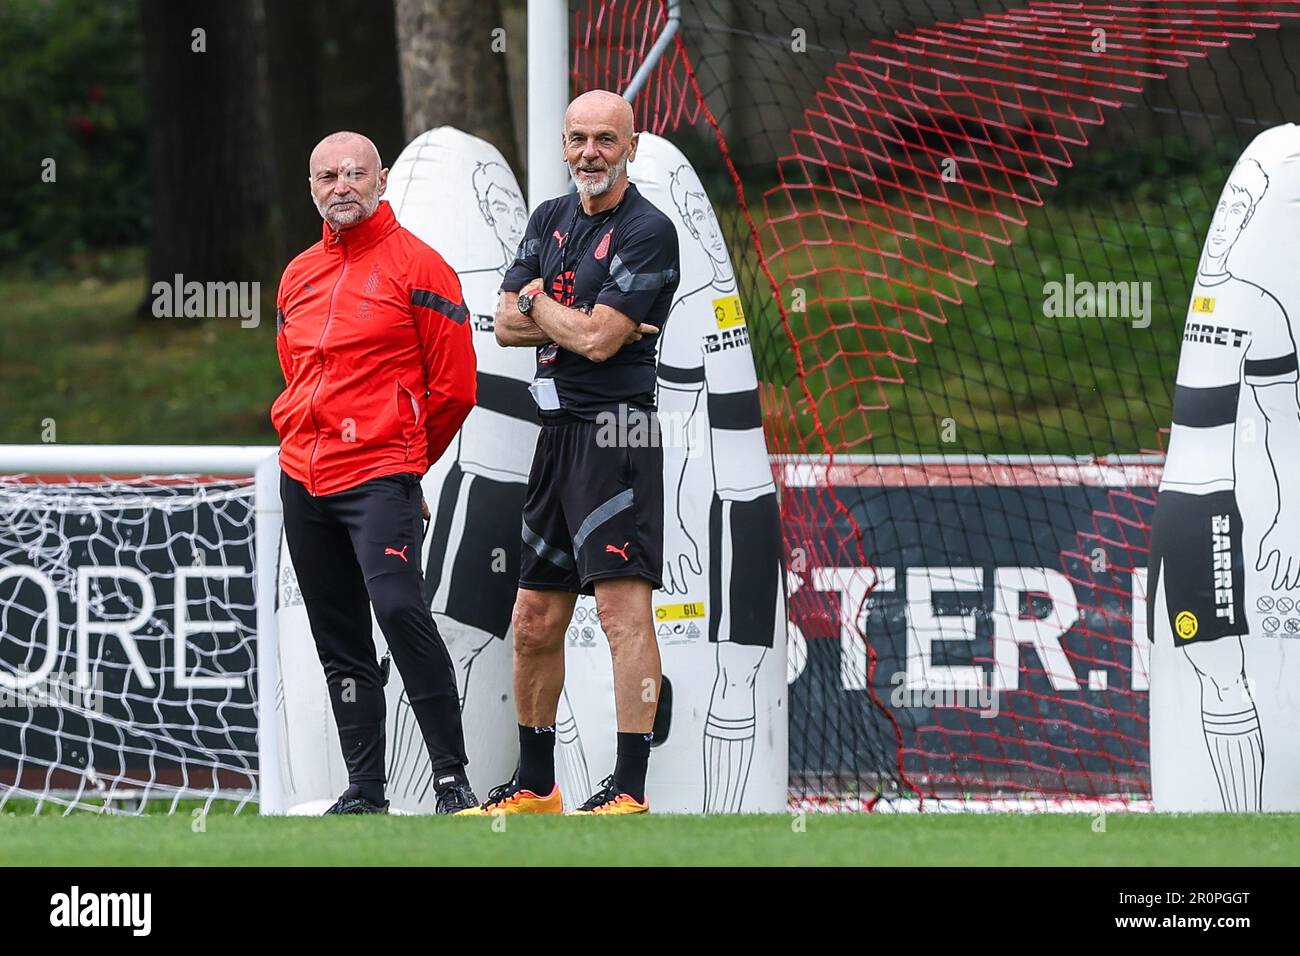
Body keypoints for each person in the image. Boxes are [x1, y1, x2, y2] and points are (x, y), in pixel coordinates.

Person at [458, 90, 680, 815]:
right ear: (563, 144)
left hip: (616, 437)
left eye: (605, 140)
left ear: (631, 146)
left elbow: (597, 340)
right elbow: (501, 324)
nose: (590, 152)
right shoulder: (550, 218)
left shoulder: (649, 230)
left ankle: (630, 788)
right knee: (532, 618)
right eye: (578, 138)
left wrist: (539, 308)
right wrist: (560, 318)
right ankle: (535, 783)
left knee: (621, 614)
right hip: (553, 438)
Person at [271, 130, 479, 814]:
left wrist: (408, 465)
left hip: (381, 473)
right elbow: (296, 371)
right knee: (338, 635)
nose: (342, 185)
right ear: (312, 190)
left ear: (382, 180)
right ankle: (366, 791)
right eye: (328, 175)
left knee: (399, 609)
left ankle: (453, 781)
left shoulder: (422, 268)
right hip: (303, 478)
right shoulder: (298, 274)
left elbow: (455, 390)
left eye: (356, 173)